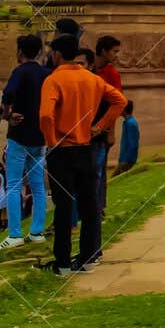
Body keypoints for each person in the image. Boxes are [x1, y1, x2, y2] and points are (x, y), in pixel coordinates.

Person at [38, 33, 127, 274]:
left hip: (62, 150)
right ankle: (88, 259)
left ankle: (63, 263)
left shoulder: (53, 80)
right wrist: (101, 126)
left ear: (56, 54)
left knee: (64, 206)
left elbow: (46, 115)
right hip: (86, 147)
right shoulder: (92, 79)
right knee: (90, 205)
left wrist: (51, 140)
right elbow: (120, 101)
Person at [0, 34, 50, 250]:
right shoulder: (46, 73)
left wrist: (9, 115)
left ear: (20, 51)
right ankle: (37, 231)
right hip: (40, 136)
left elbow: (8, 95)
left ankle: (15, 233)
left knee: (14, 184)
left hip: (19, 136)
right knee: (37, 185)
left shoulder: (20, 72)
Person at [90, 35, 123, 213]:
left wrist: (111, 131)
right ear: (103, 50)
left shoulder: (112, 73)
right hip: (87, 127)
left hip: (100, 129)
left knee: (98, 170)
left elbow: (116, 105)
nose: (116, 55)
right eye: (114, 51)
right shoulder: (91, 69)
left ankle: (99, 206)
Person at [113, 101, 141, 175]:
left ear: (124, 109)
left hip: (127, 160)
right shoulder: (127, 122)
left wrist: (125, 160)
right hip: (124, 159)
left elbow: (134, 144)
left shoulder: (130, 123)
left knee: (114, 181)